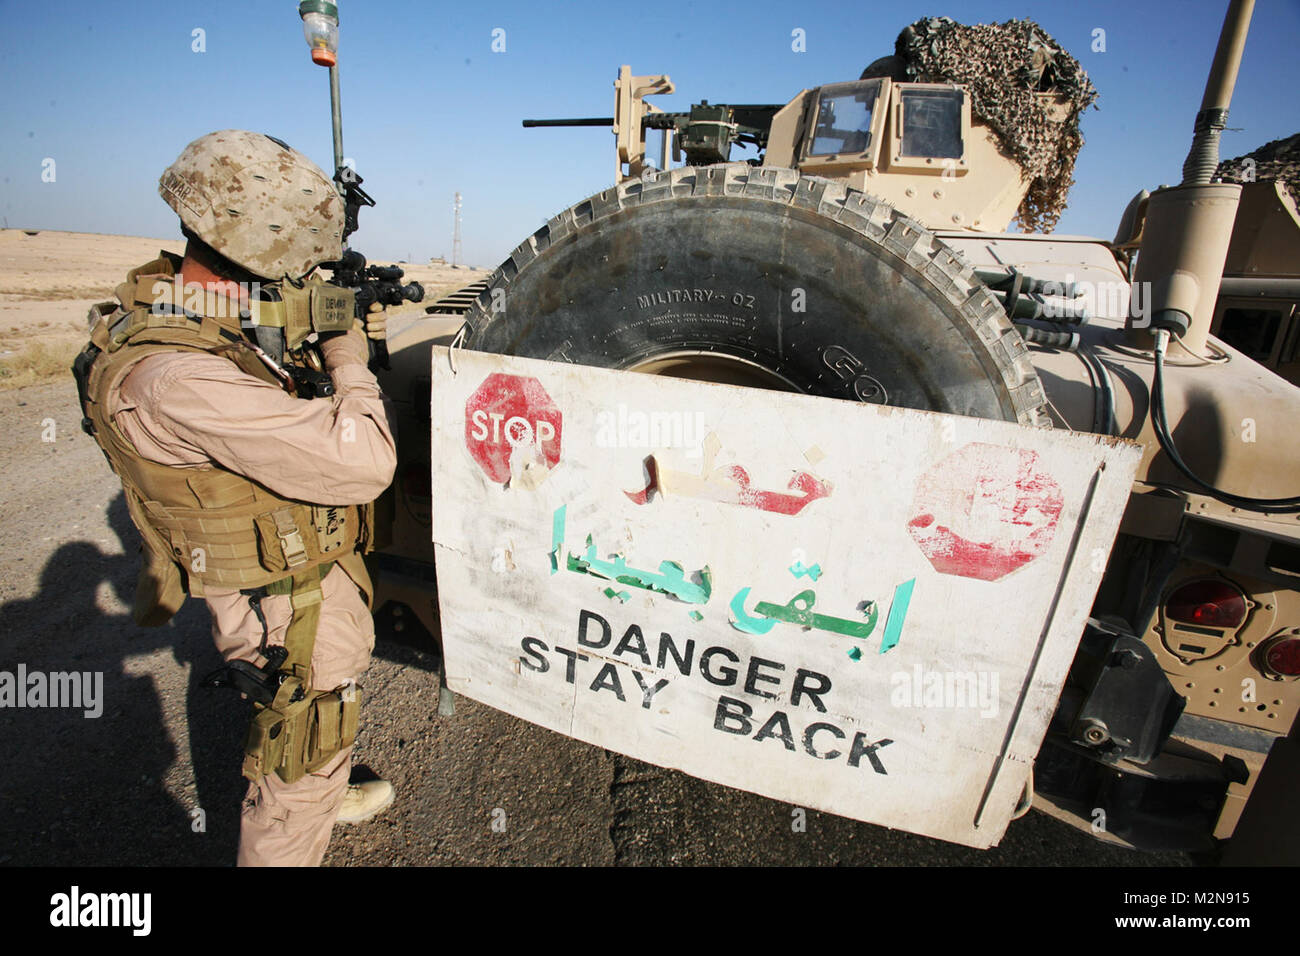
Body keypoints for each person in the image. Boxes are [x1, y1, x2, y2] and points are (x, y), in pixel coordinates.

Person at [73, 130, 398, 866]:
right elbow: (364, 461)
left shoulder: (173, 313)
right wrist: (346, 347)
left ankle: (315, 777)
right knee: (301, 745)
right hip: (288, 597)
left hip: (253, 577)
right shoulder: (179, 378)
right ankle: (302, 803)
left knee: (297, 727)